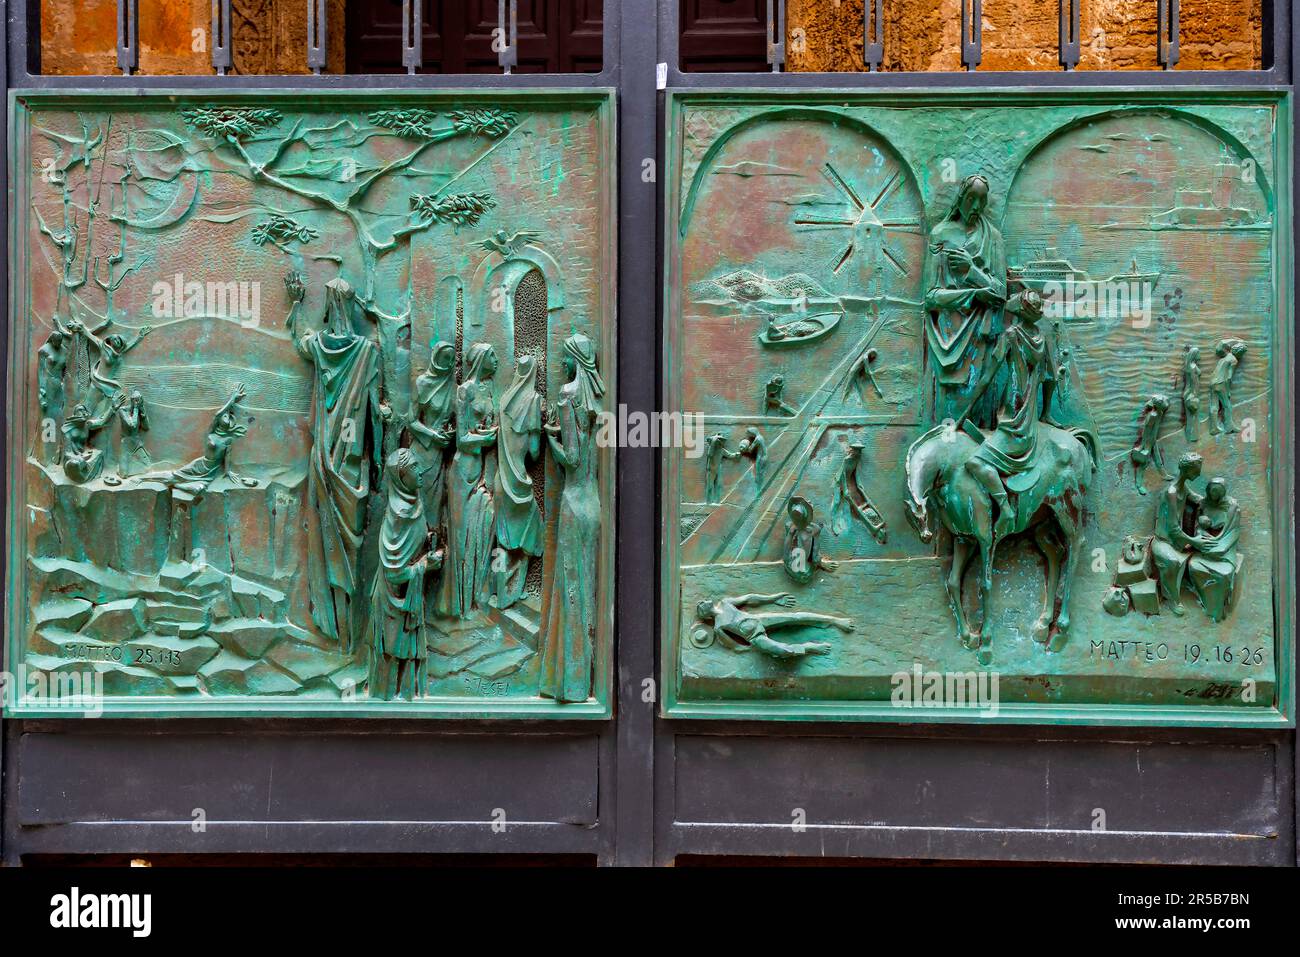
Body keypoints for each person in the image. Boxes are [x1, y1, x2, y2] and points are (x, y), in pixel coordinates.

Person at [287, 276, 388, 654]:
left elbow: (299, 341)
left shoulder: (319, 345)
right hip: (351, 463)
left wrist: (296, 303)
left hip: (324, 458)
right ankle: (349, 631)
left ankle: (332, 625)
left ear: (330, 307)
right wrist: (377, 454)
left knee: (326, 539)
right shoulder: (367, 351)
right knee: (351, 543)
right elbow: (376, 413)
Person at [956, 290, 1057, 539]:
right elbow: (1051, 378)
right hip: (1030, 418)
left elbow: (988, 376)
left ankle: (1005, 508)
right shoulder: (1042, 339)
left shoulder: (1011, 335)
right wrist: (1044, 414)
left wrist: (966, 410)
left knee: (974, 462)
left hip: (1013, 421)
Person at [539, 333, 606, 703]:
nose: (562, 366)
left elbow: (571, 458)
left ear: (573, 361)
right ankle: (581, 679)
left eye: (565, 359)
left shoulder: (567, 395)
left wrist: (549, 438)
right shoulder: (595, 399)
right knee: (584, 591)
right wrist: (558, 432)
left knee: (571, 592)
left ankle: (570, 682)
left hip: (572, 501)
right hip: (591, 502)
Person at [923, 174, 1007, 427]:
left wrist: (971, 271)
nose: (975, 207)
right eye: (970, 198)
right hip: (948, 336)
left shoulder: (993, 238)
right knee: (949, 415)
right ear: (960, 197)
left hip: (982, 337)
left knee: (980, 407)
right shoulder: (941, 235)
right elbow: (930, 298)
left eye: (982, 200)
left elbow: (1001, 292)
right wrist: (972, 295)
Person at [370, 448, 443, 701]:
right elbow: (395, 572)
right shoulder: (399, 515)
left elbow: (413, 542)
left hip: (408, 603)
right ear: (401, 477)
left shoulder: (414, 504)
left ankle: (407, 698)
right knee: (393, 659)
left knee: (405, 660)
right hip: (394, 602)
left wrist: (427, 540)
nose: (419, 471)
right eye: (412, 468)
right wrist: (426, 565)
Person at [436, 342, 499, 618]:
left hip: (483, 470)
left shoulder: (489, 390)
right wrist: (487, 438)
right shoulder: (465, 391)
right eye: (492, 356)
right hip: (463, 472)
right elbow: (462, 439)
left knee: (482, 531)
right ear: (481, 360)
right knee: (460, 539)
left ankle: (475, 598)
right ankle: (457, 605)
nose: (496, 361)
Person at [493, 353, 545, 609]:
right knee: (530, 535)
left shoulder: (503, 401)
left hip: (501, 480)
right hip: (519, 484)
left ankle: (502, 592)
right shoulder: (533, 401)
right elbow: (534, 452)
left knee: (502, 539)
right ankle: (515, 589)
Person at [693, 593, 852, 660]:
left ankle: (835, 620)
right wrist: (756, 647)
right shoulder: (718, 627)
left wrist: (773, 598)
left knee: (796, 617)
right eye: (700, 607)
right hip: (755, 638)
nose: (700, 603)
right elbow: (734, 646)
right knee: (782, 650)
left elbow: (749, 598)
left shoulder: (726, 603)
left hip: (760, 620)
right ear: (706, 615)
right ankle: (809, 647)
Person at [168, 385, 253, 496]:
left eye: (227, 416)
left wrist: (228, 472)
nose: (225, 416)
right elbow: (217, 415)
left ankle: (175, 486)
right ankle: (142, 478)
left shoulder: (228, 440)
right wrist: (232, 399)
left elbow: (227, 458)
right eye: (225, 415)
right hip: (199, 464)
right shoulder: (211, 432)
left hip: (211, 472)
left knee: (198, 488)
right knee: (173, 475)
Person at [408, 341, 456, 534]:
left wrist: (450, 433)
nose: (450, 364)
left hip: (441, 455)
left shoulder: (453, 387)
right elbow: (410, 421)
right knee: (421, 504)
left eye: (453, 359)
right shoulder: (422, 383)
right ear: (436, 359)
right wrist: (432, 435)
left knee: (437, 504)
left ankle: (434, 544)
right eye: (446, 358)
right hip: (422, 452)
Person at [1150, 452, 1205, 616]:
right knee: (1173, 561)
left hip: (1177, 542)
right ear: (1188, 470)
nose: (1199, 473)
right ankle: (1172, 598)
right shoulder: (1171, 492)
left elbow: (1196, 498)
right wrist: (1195, 542)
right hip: (1163, 542)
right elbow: (1173, 528)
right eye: (1197, 470)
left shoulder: (1182, 487)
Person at [1185, 477, 1242, 622]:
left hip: (1224, 547)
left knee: (1224, 573)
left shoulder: (1232, 506)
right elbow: (1197, 530)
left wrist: (1221, 546)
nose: (1214, 494)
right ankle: (1206, 603)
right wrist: (1203, 533)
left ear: (1223, 491)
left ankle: (1218, 608)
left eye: (1217, 491)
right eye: (1212, 490)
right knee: (1194, 566)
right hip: (1206, 546)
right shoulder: (1203, 504)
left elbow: (1233, 531)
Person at [1181, 345, 1201, 442]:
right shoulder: (1193, 367)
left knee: (1190, 418)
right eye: (1198, 354)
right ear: (1194, 355)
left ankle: (1190, 436)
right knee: (1192, 418)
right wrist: (1194, 395)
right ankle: (1192, 437)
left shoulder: (1189, 364)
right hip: (1192, 393)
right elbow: (1195, 382)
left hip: (1188, 392)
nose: (1200, 356)